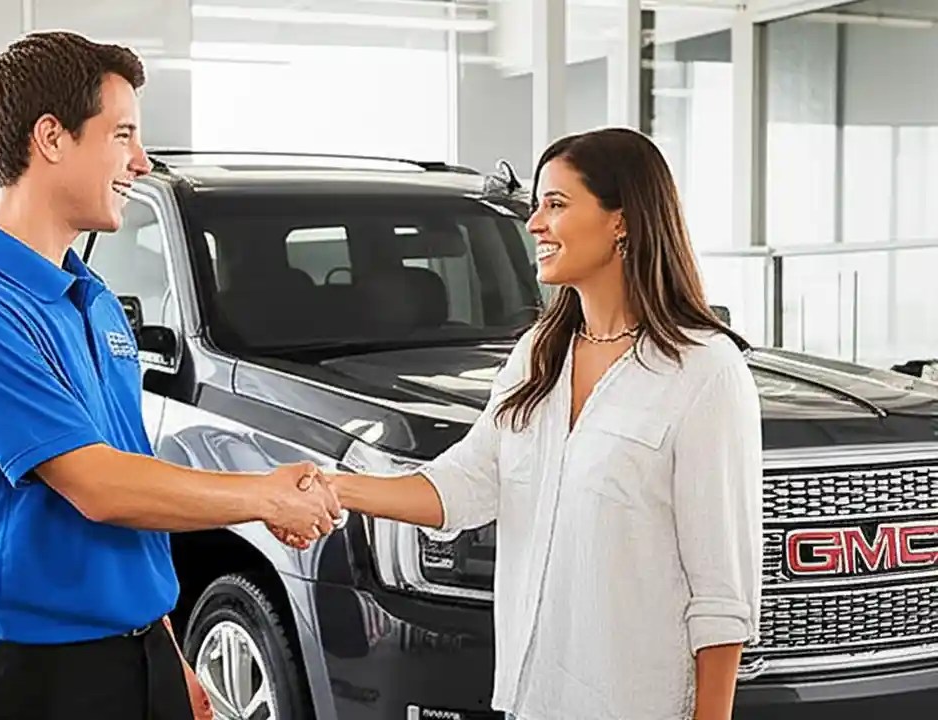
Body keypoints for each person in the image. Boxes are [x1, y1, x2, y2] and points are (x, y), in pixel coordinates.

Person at [0, 31, 341, 720]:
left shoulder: (93, 297)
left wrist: (165, 652)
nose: (140, 161)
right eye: (123, 135)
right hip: (39, 679)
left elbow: (131, 473)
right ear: (51, 138)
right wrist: (263, 496)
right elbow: (100, 487)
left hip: (137, 655)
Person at [319, 127, 763, 720]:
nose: (534, 225)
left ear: (622, 221)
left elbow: (722, 593)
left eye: (556, 204)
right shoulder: (539, 354)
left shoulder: (704, 370)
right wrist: (336, 489)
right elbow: (466, 484)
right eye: (536, 206)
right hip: (534, 700)